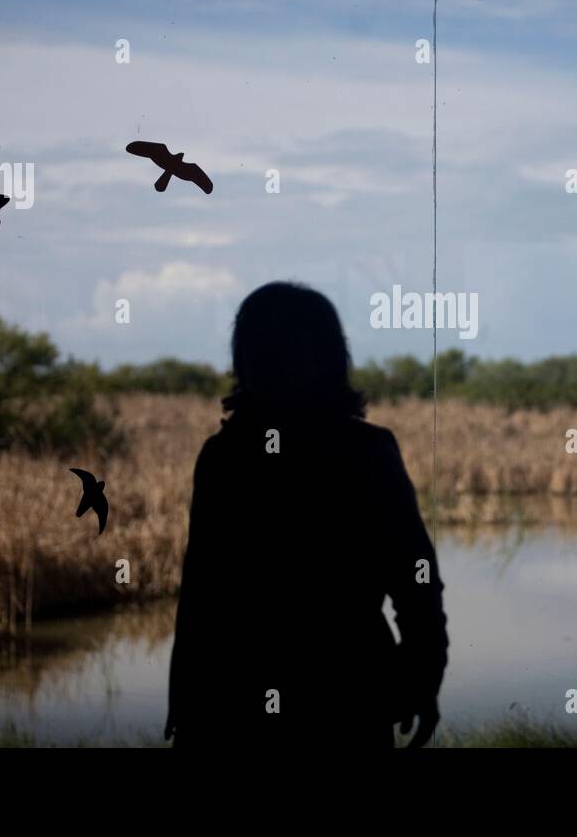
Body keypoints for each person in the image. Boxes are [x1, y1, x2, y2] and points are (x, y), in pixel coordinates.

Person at [166, 281, 448, 748]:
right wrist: (184, 702)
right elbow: (202, 593)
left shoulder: (362, 453)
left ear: (322, 359)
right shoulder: (225, 458)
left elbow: (415, 581)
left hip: (327, 704)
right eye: (259, 348)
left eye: (284, 349)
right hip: (262, 705)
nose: (270, 363)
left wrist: (422, 679)